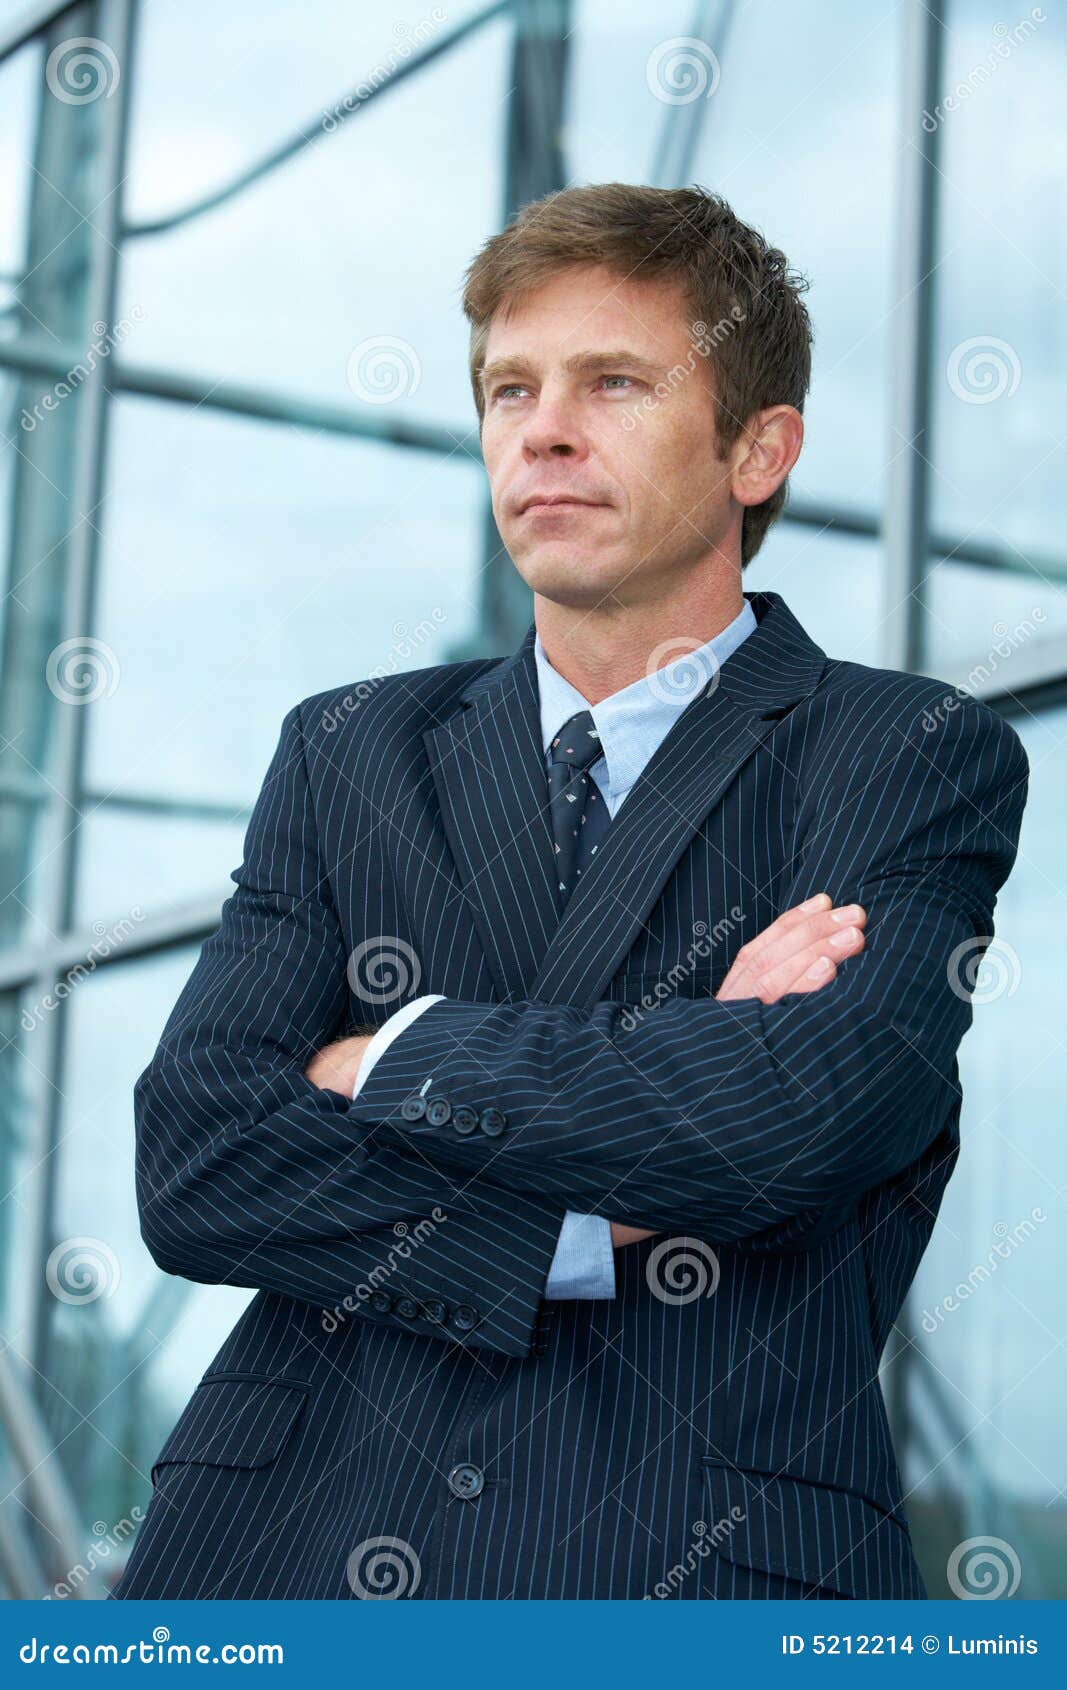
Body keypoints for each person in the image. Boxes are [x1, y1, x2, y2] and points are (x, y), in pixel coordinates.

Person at [112, 183, 1028, 1601]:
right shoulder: (347, 747)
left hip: (691, 1574)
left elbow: (786, 1125)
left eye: (614, 383)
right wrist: (587, 1227)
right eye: (509, 388)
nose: (541, 428)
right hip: (276, 1558)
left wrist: (386, 1053)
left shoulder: (906, 751)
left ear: (759, 448)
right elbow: (198, 1162)